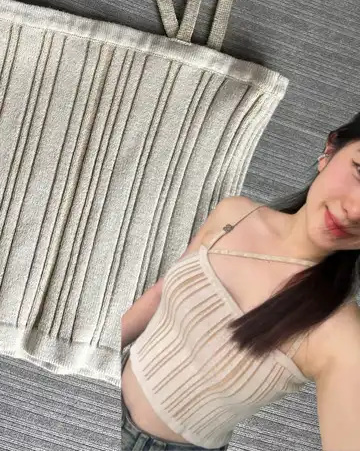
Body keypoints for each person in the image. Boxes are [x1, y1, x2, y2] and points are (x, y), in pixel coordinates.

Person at [120, 112, 360, 451]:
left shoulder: (340, 332)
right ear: (330, 150)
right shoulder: (236, 212)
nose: (356, 210)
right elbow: (161, 293)